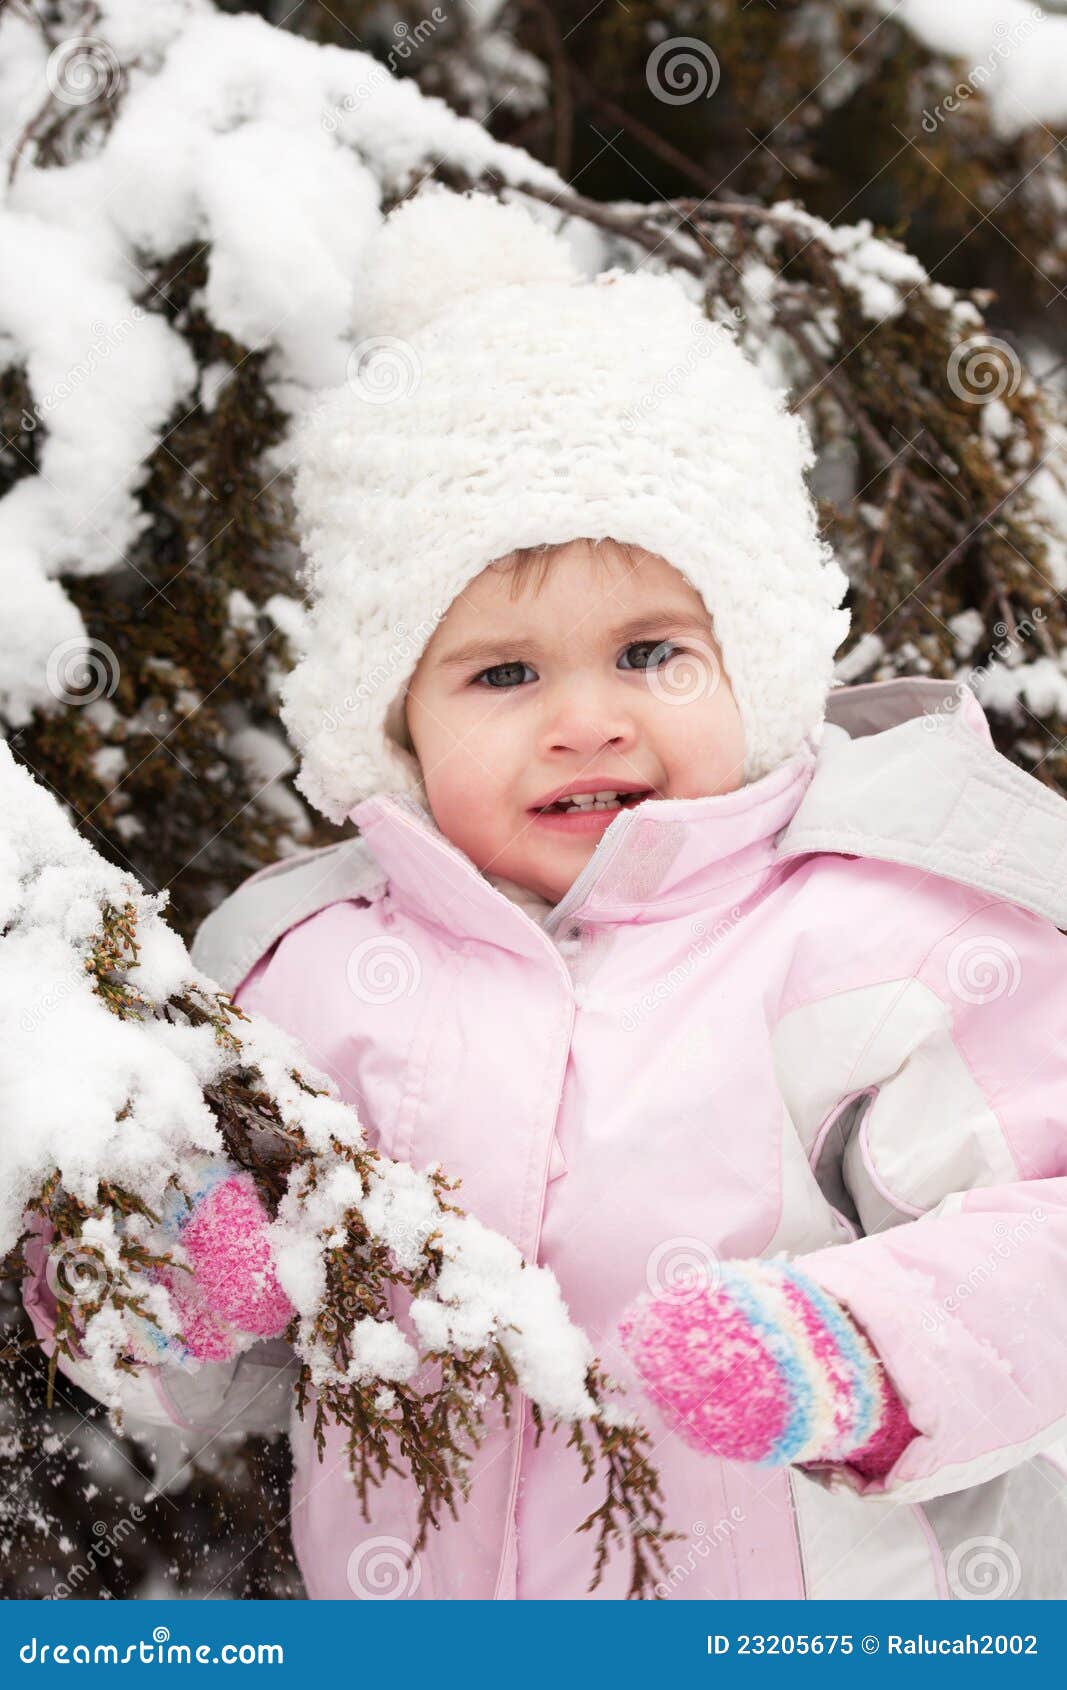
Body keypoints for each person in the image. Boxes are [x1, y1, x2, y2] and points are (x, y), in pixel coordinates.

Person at [22, 188, 1067, 1601]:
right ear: (397, 719)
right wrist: (182, 1290)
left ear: (748, 662)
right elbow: (216, 1368)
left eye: (650, 651)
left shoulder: (868, 935)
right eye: (505, 674)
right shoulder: (315, 979)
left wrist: (860, 1352)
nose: (587, 719)